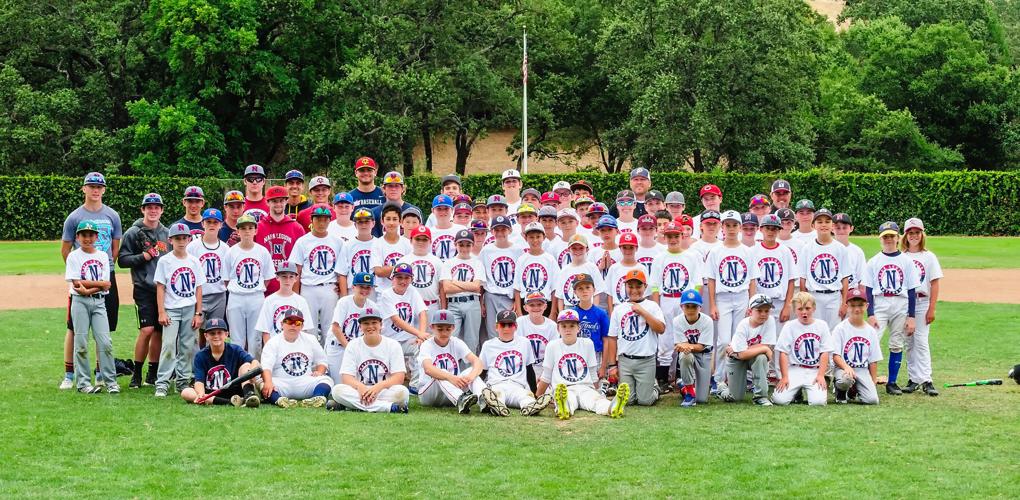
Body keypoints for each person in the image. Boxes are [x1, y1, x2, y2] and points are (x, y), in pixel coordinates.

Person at [60, 172, 122, 390]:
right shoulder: (74, 217)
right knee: (74, 328)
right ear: (84, 188)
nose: (95, 190)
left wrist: (102, 272)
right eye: (91, 186)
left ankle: (100, 374)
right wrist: (80, 273)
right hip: (82, 278)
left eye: (99, 187)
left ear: (104, 190)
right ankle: (70, 374)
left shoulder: (112, 215)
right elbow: (66, 250)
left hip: (105, 274)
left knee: (104, 329)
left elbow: (114, 248)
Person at [538, 309, 630, 419]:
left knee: (596, 401)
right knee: (568, 400)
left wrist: (597, 391)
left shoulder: (587, 343)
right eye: (564, 326)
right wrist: (537, 396)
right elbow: (546, 375)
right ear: (558, 328)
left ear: (579, 328)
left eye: (572, 326)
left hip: (585, 387)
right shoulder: (552, 345)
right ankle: (563, 407)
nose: (568, 329)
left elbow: (592, 372)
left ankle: (612, 408)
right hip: (565, 388)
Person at [705, 210, 759, 393]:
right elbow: (711, 280)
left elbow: (752, 280)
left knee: (740, 339)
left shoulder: (747, 251)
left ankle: (738, 378)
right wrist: (713, 304)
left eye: (734, 225)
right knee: (723, 341)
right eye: (727, 225)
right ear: (722, 227)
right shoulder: (716, 251)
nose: (731, 229)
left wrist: (751, 304)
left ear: (740, 227)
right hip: (723, 297)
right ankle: (719, 378)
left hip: (741, 296)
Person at [118, 192, 168, 389]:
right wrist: (143, 257)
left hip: (163, 289)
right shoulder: (133, 232)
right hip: (143, 288)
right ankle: (137, 373)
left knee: (158, 332)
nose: (153, 210)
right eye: (149, 207)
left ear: (161, 210)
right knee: (146, 330)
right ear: (143, 209)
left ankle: (152, 374)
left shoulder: (167, 233)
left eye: (156, 207)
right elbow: (122, 260)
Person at [863, 221, 918, 396]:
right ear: (880, 239)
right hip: (880, 303)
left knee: (896, 343)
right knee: (872, 341)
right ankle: (866, 380)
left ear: (898, 238)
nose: (888, 239)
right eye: (885, 237)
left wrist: (911, 316)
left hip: (900, 304)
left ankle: (892, 382)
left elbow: (911, 290)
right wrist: (870, 313)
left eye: (892, 236)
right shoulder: (874, 261)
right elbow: (868, 290)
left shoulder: (906, 261)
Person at [153, 223, 206, 398]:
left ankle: (182, 381)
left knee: (187, 346)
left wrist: (198, 313)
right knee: (168, 345)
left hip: (189, 308)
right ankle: (162, 382)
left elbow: (199, 288)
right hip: (171, 309)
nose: (181, 242)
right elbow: (160, 287)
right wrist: (161, 311)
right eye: (177, 238)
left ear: (189, 239)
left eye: (184, 238)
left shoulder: (194, 261)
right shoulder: (165, 261)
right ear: (171, 240)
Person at [649, 221, 702, 391]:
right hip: (667, 298)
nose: (673, 239)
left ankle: (681, 377)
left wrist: (694, 304)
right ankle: (663, 378)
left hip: (685, 301)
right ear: (665, 237)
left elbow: (697, 283)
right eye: (670, 236)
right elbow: (655, 285)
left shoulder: (691, 257)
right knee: (665, 339)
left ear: (682, 236)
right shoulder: (660, 258)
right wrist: (656, 307)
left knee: (684, 336)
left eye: (676, 236)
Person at [328, 307, 410, 413]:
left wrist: (379, 386)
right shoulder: (353, 345)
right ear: (360, 327)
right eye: (366, 323)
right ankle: (390, 407)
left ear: (381, 324)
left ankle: (349, 405)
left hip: (383, 390)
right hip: (360, 391)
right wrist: (359, 386)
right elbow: (346, 378)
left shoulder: (393, 345)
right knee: (337, 390)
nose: (370, 326)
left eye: (374, 322)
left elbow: (399, 377)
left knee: (402, 392)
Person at [66, 221, 116, 394]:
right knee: (81, 343)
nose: (87, 239)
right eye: (83, 235)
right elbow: (76, 282)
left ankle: (110, 381)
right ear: (77, 237)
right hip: (79, 302)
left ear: (96, 237)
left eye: (91, 235)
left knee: (105, 342)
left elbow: (107, 284)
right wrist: (99, 284)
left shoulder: (102, 255)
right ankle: (83, 383)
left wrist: (89, 289)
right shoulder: (74, 256)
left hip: (99, 301)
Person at [606, 269, 666, 406]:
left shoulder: (652, 306)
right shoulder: (619, 309)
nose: (634, 290)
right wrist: (612, 365)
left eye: (638, 286)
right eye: (630, 286)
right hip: (625, 360)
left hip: (646, 360)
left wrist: (643, 312)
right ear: (625, 287)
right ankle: (644, 386)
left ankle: (654, 387)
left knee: (645, 401)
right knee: (628, 401)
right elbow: (612, 338)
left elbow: (661, 329)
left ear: (645, 286)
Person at [477, 310, 552, 416]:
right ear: (496, 327)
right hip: (496, 385)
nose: (506, 328)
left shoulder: (524, 343)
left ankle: (531, 407)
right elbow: (482, 371)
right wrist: (479, 390)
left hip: (517, 386)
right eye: (502, 325)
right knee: (497, 395)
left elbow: (529, 370)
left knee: (525, 397)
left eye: (510, 325)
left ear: (516, 327)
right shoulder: (488, 345)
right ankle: (496, 405)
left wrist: (535, 393)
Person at [898, 218, 942, 396]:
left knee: (921, 340)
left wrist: (932, 308)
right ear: (905, 236)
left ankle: (926, 379)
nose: (914, 236)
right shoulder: (901, 256)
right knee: (909, 341)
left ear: (922, 234)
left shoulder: (928, 256)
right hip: (904, 302)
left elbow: (935, 283)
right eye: (910, 233)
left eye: (917, 232)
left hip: (922, 301)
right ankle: (913, 378)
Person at [289, 206, 343, 346]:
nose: (322, 223)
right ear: (312, 220)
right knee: (308, 329)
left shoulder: (337, 242)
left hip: (329, 287)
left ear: (330, 221)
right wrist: (296, 296)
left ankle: (328, 358)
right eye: (318, 219)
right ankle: (310, 358)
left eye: (325, 219)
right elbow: (297, 271)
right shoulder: (303, 241)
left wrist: (341, 290)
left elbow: (342, 270)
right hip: (309, 288)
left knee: (329, 330)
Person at [417, 309, 488, 414]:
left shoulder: (456, 342)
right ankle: (461, 399)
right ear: (432, 327)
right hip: (429, 394)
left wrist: (471, 376)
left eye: (448, 329)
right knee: (441, 372)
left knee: (469, 371)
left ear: (453, 328)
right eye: (440, 329)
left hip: (451, 392)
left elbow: (477, 361)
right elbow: (428, 369)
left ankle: (485, 400)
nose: (444, 332)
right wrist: (450, 377)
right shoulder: (427, 345)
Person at [260, 308, 333, 408]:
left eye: (297, 323)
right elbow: (266, 366)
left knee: (326, 380)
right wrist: (268, 382)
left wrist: (320, 372)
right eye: (289, 321)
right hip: (282, 383)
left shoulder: (310, 339)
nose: (293, 325)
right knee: (263, 383)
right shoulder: (273, 342)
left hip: (305, 382)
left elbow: (322, 360)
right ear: (282, 324)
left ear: (302, 326)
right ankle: (279, 400)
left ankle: (317, 397)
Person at [223, 214, 274, 357]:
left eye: (250, 228)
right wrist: (239, 288)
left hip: (256, 297)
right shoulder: (231, 252)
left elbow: (267, 277)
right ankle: (238, 367)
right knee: (236, 338)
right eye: (243, 228)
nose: (247, 231)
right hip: (236, 297)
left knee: (255, 338)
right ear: (238, 231)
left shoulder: (262, 251)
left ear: (255, 231)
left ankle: (254, 367)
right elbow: (226, 279)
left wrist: (254, 288)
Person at [181, 318, 261, 407]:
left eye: (219, 333)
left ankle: (249, 395)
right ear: (206, 336)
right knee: (186, 392)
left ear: (226, 334)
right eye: (212, 333)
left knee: (246, 366)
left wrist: (250, 372)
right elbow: (199, 381)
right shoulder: (200, 356)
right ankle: (231, 402)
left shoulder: (235, 350)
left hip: (235, 391)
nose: (216, 336)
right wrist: (201, 394)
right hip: (212, 394)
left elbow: (255, 362)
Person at [771, 292, 832, 406]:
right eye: (800, 309)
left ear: (814, 308)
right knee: (780, 400)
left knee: (818, 402)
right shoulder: (789, 326)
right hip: (795, 369)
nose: (804, 312)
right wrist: (784, 377)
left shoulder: (822, 325)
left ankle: (807, 390)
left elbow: (824, 352)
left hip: (814, 370)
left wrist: (820, 375)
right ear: (794, 310)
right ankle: (796, 392)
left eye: (807, 308)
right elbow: (783, 352)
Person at [378, 263, 429, 393]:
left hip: (407, 340)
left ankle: (415, 386)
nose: (403, 281)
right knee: (388, 375)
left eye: (407, 277)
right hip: (389, 341)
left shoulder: (412, 291)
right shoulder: (386, 294)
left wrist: (421, 335)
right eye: (399, 277)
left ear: (411, 279)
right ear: (392, 278)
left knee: (422, 346)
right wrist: (419, 333)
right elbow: (396, 320)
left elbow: (422, 313)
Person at [721, 294, 776, 406]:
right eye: (759, 310)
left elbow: (765, 346)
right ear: (750, 311)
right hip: (736, 359)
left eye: (766, 311)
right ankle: (722, 388)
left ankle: (760, 397)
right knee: (735, 397)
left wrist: (762, 348)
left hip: (747, 355)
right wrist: (764, 348)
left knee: (761, 357)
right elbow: (742, 355)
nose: (763, 314)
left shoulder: (770, 321)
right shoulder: (743, 324)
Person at [799, 208, 850, 329]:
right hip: (814, 296)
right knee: (815, 330)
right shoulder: (807, 249)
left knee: (834, 332)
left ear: (832, 225)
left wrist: (844, 303)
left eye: (827, 222)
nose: (824, 225)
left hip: (834, 296)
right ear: (813, 225)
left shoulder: (840, 248)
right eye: (820, 222)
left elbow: (845, 278)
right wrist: (805, 302)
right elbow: (802, 278)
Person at [831, 289, 882, 404]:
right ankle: (840, 390)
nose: (857, 309)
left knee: (872, 400)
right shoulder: (840, 329)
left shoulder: (870, 331)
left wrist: (873, 381)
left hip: (862, 369)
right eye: (853, 305)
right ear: (846, 306)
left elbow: (873, 360)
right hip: (843, 368)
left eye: (860, 305)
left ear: (867, 306)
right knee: (846, 379)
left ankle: (853, 390)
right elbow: (835, 355)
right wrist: (846, 367)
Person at [327, 272, 378, 384]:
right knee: (339, 384)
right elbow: (335, 328)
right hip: (338, 347)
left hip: (358, 349)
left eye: (368, 287)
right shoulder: (344, 302)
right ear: (353, 287)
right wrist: (350, 348)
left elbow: (376, 330)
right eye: (361, 286)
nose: (364, 290)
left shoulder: (373, 306)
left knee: (360, 383)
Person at [439, 230, 485, 353]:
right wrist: (469, 285)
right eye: (461, 244)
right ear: (455, 244)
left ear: (473, 245)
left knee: (472, 340)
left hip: (472, 303)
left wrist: (454, 282)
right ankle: (453, 365)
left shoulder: (477, 263)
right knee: (451, 338)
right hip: (453, 303)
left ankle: (469, 366)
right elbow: (447, 288)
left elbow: (476, 287)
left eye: (468, 245)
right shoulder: (448, 263)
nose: (464, 248)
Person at [255, 185, 305, 296]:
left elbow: (302, 262)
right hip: (263, 288)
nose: (278, 204)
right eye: (274, 201)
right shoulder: (258, 227)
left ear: (286, 201)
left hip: (289, 288)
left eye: (281, 200)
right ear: (267, 202)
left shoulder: (297, 228)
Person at [751, 214, 797, 330]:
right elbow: (750, 281)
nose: (771, 232)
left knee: (778, 338)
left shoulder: (785, 251)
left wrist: (787, 306)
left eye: (774, 229)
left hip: (779, 303)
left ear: (779, 231)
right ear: (761, 229)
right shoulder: (753, 251)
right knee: (757, 336)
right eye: (768, 228)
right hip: (759, 302)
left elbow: (791, 280)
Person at [187, 209, 228, 335]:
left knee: (214, 331)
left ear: (221, 225)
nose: (212, 225)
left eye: (215, 222)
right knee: (194, 330)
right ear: (202, 224)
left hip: (218, 295)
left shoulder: (225, 248)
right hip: (199, 294)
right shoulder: (192, 246)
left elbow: (228, 274)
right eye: (208, 222)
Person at [480, 215, 520, 343]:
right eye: (496, 230)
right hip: (491, 295)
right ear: (492, 231)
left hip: (509, 297)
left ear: (510, 230)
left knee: (509, 331)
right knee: (493, 332)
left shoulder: (517, 250)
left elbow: (519, 279)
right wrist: (481, 301)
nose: (500, 233)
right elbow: (482, 278)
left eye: (503, 229)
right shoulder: (486, 250)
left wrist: (517, 301)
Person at [255, 262, 314, 346]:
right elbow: (265, 331)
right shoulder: (269, 300)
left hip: (295, 346)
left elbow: (304, 330)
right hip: (275, 346)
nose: (287, 280)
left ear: (296, 278)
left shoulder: (301, 301)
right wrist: (269, 349)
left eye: (291, 277)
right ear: (277, 277)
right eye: (284, 276)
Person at [672, 290, 714, 407]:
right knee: (685, 356)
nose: (690, 309)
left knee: (702, 399)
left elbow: (701, 347)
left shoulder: (707, 321)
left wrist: (687, 346)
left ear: (700, 307)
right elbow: (682, 347)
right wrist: (685, 347)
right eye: (687, 306)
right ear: (681, 307)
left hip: (704, 354)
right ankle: (689, 392)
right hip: (687, 353)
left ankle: (683, 386)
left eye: (694, 306)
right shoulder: (677, 321)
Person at [571, 274, 611, 386]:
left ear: (594, 290)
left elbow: (606, 340)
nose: (584, 291)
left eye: (588, 287)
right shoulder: (572, 313)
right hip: (577, 353)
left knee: (596, 385)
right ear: (575, 292)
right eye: (580, 288)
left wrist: (603, 366)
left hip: (596, 354)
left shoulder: (601, 313)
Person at [513, 222, 559, 318]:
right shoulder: (522, 259)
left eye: (538, 237)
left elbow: (555, 288)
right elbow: (517, 288)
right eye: (531, 237)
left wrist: (553, 312)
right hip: (526, 303)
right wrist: (519, 312)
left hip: (545, 304)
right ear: (526, 238)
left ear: (544, 237)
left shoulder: (550, 259)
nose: (535, 240)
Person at [397, 225, 443, 317]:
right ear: (411, 241)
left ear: (430, 242)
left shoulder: (437, 261)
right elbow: (396, 285)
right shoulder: (403, 261)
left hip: (432, 306)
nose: (421, 242)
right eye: (417, 239)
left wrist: (443, 309)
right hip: (410, 306)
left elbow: (441, 287)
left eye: (425, 240)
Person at [517, 292, 560, 391]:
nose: (536, 307)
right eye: (532, 305)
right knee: (523, 390)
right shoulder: (520, 322)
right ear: (525, 307)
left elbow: (553, 355)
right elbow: (518, 350)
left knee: (547, 391)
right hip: (525, 368)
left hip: (544, 368)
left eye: (539, 304)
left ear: (545, 306)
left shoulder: (552, 326)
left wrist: (544, 376)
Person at [553, 235, 604, 310]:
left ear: (587, 249)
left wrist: (593, 311)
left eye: (581, 248)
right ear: (569, 250)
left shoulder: (592, 267)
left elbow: (596, 293)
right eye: (574, 248)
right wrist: (561, 313)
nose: (577, 251)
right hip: (569, 308)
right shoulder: (564, 270)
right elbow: (560, 297)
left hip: (588, 307)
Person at [370, 203, 412, 291]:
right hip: (383, 293)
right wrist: (403, 268)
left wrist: (386, 269)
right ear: (382, 221)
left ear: (400, 221)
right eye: (388, 219)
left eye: (395, 219)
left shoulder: (407, 243)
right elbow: (379, 272)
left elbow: (412, 269)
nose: (391, 223)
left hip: (404, 292)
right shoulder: (377, 244)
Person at [337, 208, 376, 296]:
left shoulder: (379, 244)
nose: (363, 225)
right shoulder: (347, 245)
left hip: (373, 290)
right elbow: (342, 273)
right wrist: (344, 296)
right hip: (353, 289)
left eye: (367, 221)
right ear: (355, 225)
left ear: (373, 223)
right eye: (360, 222)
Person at [605, 233, 645, 314]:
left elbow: (646, 293)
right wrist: (611, 313)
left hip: (638, 310)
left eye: (631, 247)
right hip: (618, 309)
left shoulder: (642, 268)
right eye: (624, 247)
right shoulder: (614, 268)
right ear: (620, 248)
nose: (628, 251)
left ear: (636, 248)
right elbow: (610, 294)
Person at [372, 171, 417, 237]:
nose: (393, 189)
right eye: (390, 186)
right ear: (383, 189)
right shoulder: (374, 212)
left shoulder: (414, 211)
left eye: (397, 186)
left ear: (403, 188)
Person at [834, 213, 866, 294]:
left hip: (851, 293)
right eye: (838, 228)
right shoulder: (827, 249)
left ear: (851, 228)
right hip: (833, 292)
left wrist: (861, 297)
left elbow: (862, 279)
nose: (841, 231)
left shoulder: (857, 251)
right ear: (832, 228)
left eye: (844, 227)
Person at [428, 195, 460, 260]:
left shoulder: (460, 230)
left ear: (452, 210)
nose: (443, 212)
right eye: (439, 209)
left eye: (446, 208)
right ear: (432, 211)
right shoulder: (429, 232)